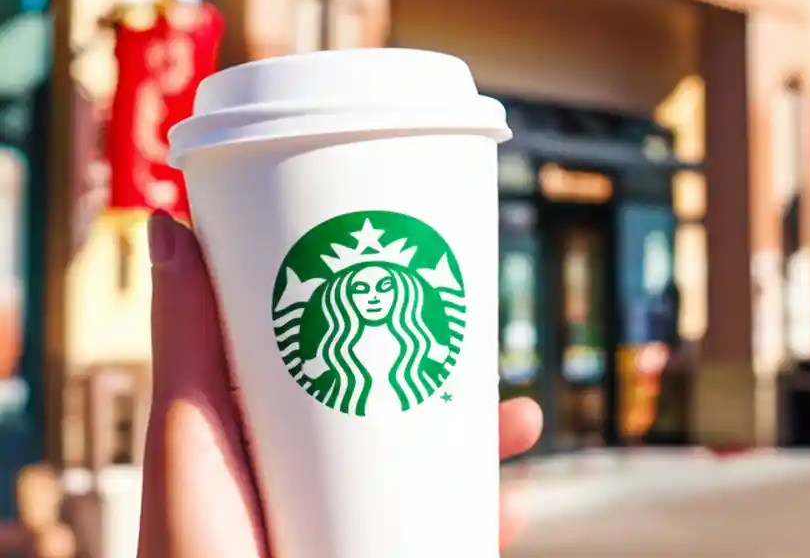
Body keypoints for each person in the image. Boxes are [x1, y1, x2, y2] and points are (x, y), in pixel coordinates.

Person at [138, 212, 543, 557]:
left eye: (384, 286)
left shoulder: (413, 354)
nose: (372, 297)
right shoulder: (331, 358)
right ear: (342, 297)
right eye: (360, 288)